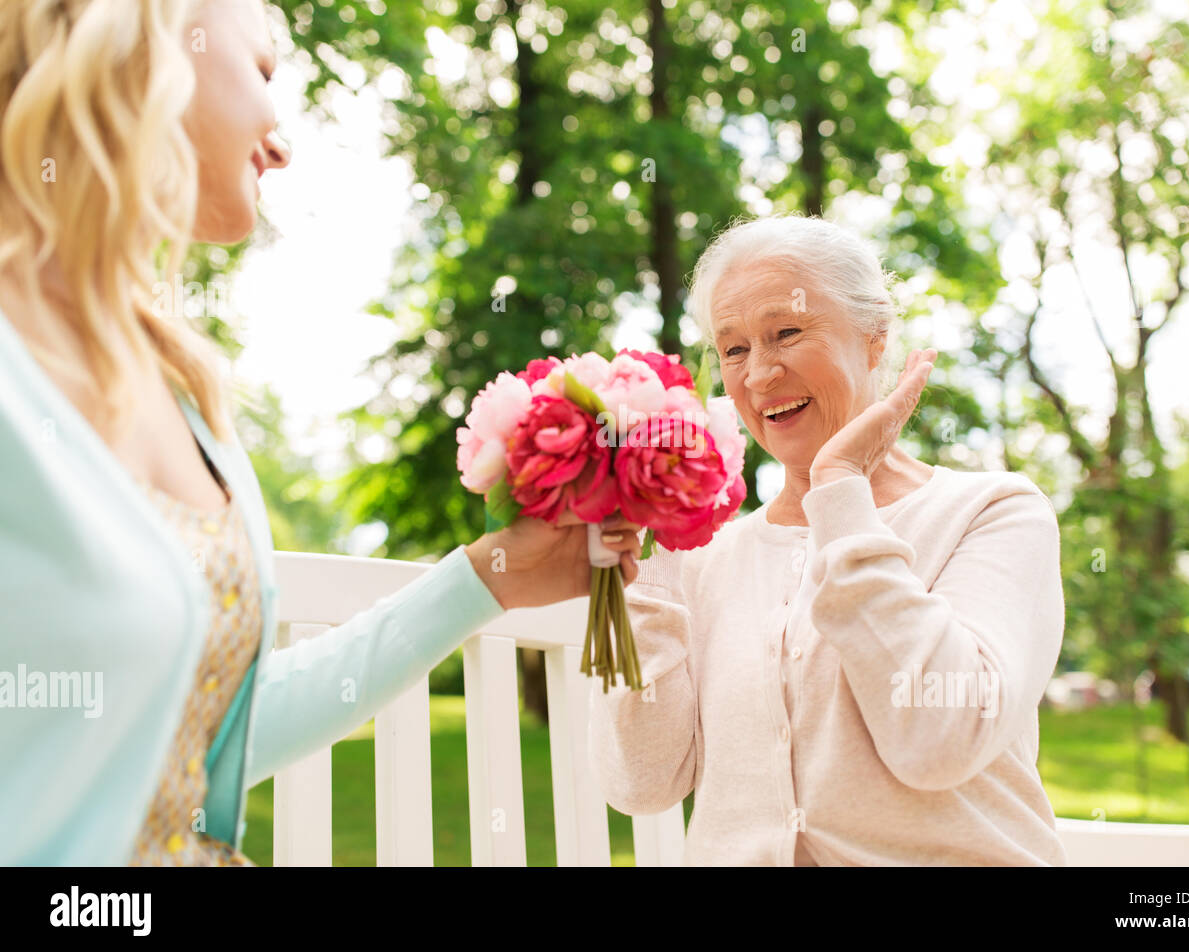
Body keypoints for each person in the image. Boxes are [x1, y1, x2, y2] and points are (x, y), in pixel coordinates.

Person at [0, 0, 641, 865]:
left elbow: (211, 736)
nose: (281, 140)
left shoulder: (180, 385)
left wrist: (490, 577)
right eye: (264, 71)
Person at [589, 214, 1069, 865]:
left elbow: (941, 740)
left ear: (875, 338)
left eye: (785, 332)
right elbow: (641, 783)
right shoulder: (705, 558)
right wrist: (657, 551)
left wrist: (839, 486)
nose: (758, 375)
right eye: (733, 349)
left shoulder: (993, 512)